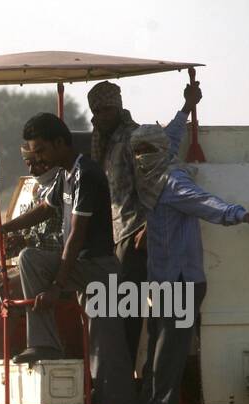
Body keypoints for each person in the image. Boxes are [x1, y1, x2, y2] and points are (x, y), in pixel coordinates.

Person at [123, 123, 249, 404]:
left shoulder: (172, 182)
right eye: (136, 151)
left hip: (181, 285)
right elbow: (170, 137)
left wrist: (241, 216)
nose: (140, 157)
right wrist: (185, 109)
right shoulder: (157, 169)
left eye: (145, 151)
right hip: (162, 283)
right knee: (153, 364)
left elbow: (206, 203)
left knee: (166, 365)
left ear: (158, 153)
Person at [0, 112, 133, 404]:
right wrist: (0, 230)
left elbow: (76, 236)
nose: (37, 159)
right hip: (82, 269)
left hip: (99, 271)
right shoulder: (64, 175)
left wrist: (56, 287)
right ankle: (45, 344)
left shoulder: (87, 174)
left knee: (106, 356)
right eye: (33, 153)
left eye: (41, 152)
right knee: (29, 259)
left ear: (60, 143)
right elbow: (45, 208)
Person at [88, 80, 202, 364]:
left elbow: (159, 177)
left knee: (129, 310)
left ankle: (126, 376)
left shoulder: (132, 137)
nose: (100, 115)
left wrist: (150, 227)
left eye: (105, 109)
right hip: (117, 234)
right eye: (96, 110)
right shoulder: (105, 140)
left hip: (136, 234)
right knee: (120, 307)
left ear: (117, 107)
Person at [0, 144, 63, 383]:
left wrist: (18, 237)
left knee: (0, 292)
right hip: (29, 264)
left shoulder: (63, 189)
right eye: (28, 162)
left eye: (36, 161)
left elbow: (62, 239)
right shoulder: (38, 191)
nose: (32, 167)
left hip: (53, 268)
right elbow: (25, 235)